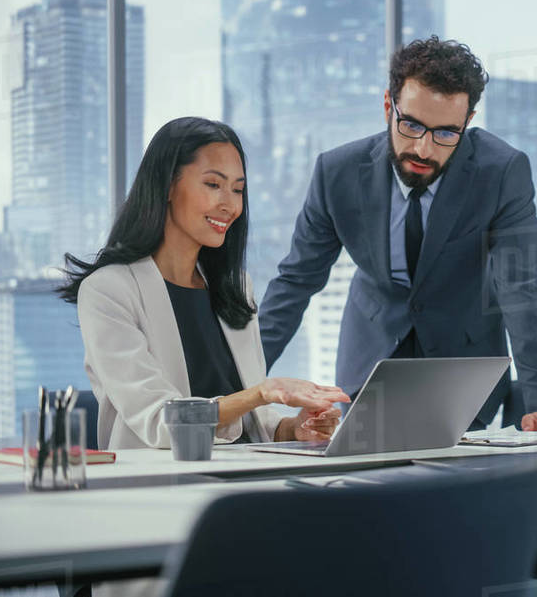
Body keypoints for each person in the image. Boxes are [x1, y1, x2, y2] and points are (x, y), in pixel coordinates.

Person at [258, 37, 537, 433]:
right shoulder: (338, 173)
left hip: (463, 368)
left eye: (445, 134)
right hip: (370, 364)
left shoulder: (501, 172)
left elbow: (521, 290)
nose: (423, 148)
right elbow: (295, 283)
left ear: (468, 122)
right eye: (411, 124)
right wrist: (230, 395)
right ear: (389, 106)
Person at [60, 117, 350, 450]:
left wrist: (292, 429)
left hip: (247, 476)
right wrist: (260, 393)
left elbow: (254, 424)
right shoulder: (108, 290)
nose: (230, 204)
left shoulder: (235, 287)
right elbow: (160, 422)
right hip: (162, 486)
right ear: (168, 185)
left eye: (238, 189)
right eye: (214, 184)